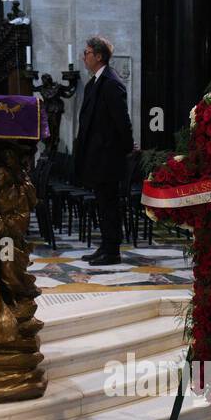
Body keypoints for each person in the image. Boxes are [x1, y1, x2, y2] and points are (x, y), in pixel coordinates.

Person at [73, 36, 134, 265]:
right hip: (97, 156)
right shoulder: (95, 83)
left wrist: (126, 149)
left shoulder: (111, 83)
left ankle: (112, 251)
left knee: (109, 205)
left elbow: (122, 121)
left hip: (108, 157)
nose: (84, 57)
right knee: (102, 204)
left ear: (99, 56)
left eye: (87, 53)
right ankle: (106, 245)